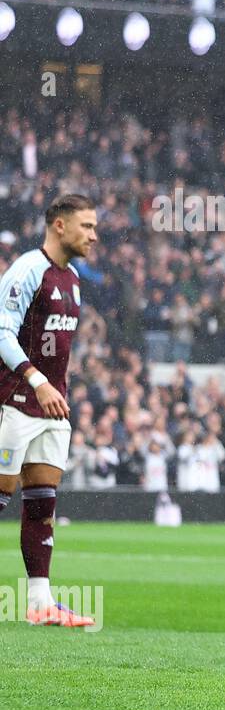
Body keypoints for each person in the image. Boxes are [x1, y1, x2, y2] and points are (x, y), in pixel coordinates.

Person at [0, 194, 98, 626]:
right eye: (87, 226)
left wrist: (57, 387)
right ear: (60, 225)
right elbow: (1, 332)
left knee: (42, 505)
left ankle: (41, 603)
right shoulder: (27, 269)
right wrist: (38, 381)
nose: (94, 235)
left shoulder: (73, 278)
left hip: (51, 409)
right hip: (15, 400)